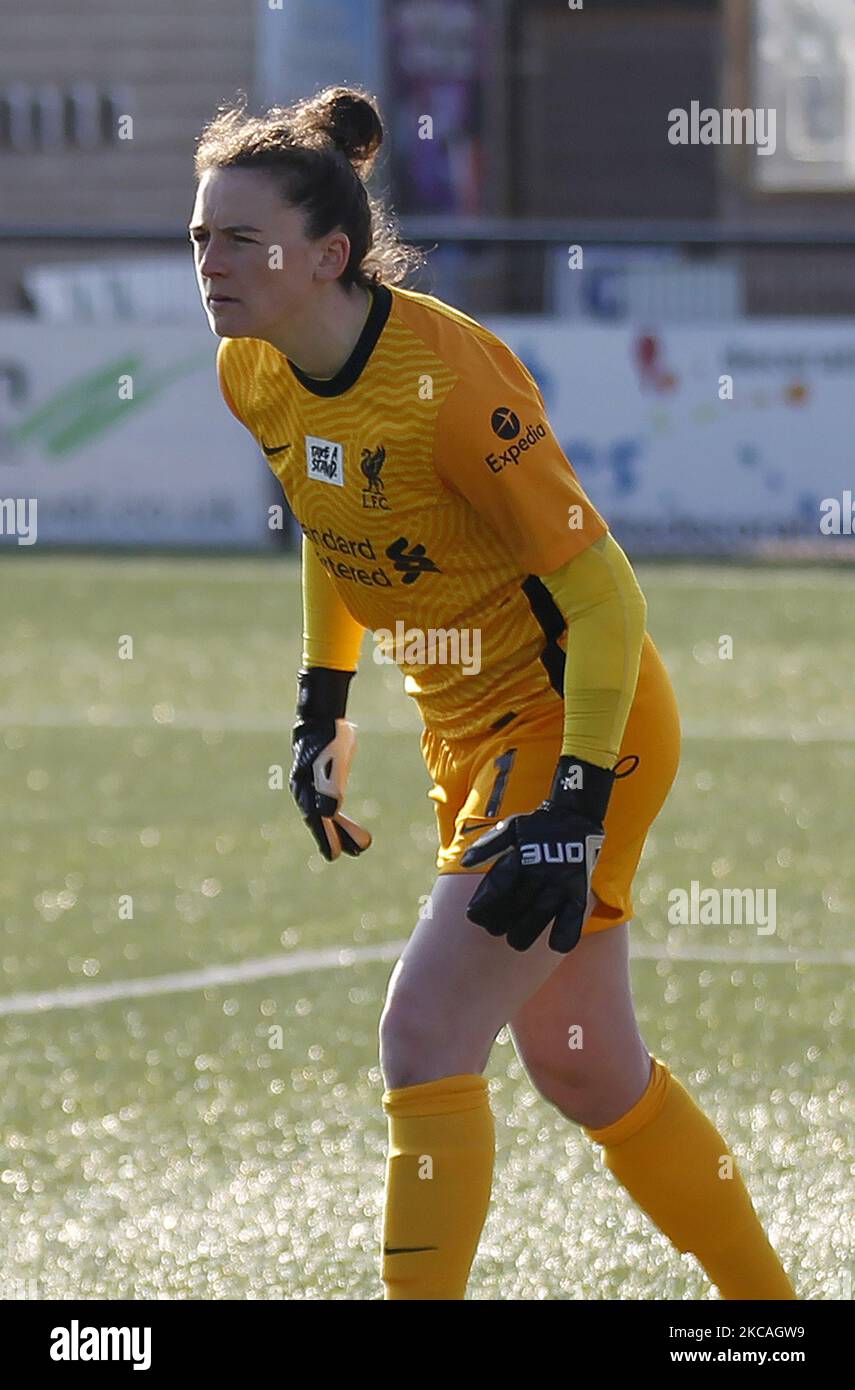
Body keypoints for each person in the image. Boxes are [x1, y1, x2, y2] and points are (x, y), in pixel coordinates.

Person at [191, 84, 796, 1302]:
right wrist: (323, 701)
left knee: (423, 1034)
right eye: (200, 234)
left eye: (241, 239)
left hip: (580, 721)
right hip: (475, 734)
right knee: (586, 1069)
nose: (211, 261)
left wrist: (577, 799)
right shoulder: (250, 368)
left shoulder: (451, 378)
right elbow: (334, 514)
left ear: (330, 255)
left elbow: (608, 594)